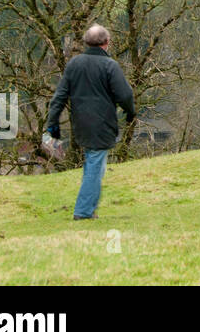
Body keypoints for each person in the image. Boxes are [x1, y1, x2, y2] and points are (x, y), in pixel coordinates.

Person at [45, 24, 136, 221]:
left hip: (80, 124)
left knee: (95, 164)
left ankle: (89, 209)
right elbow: (125, 95)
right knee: (95, 166)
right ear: (107, 42)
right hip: (102, 124)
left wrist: (53, 122)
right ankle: (83, 211)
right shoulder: (110, 65)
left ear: (87, 42)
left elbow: (59, 96)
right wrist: (130, 113)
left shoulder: (74, 64)